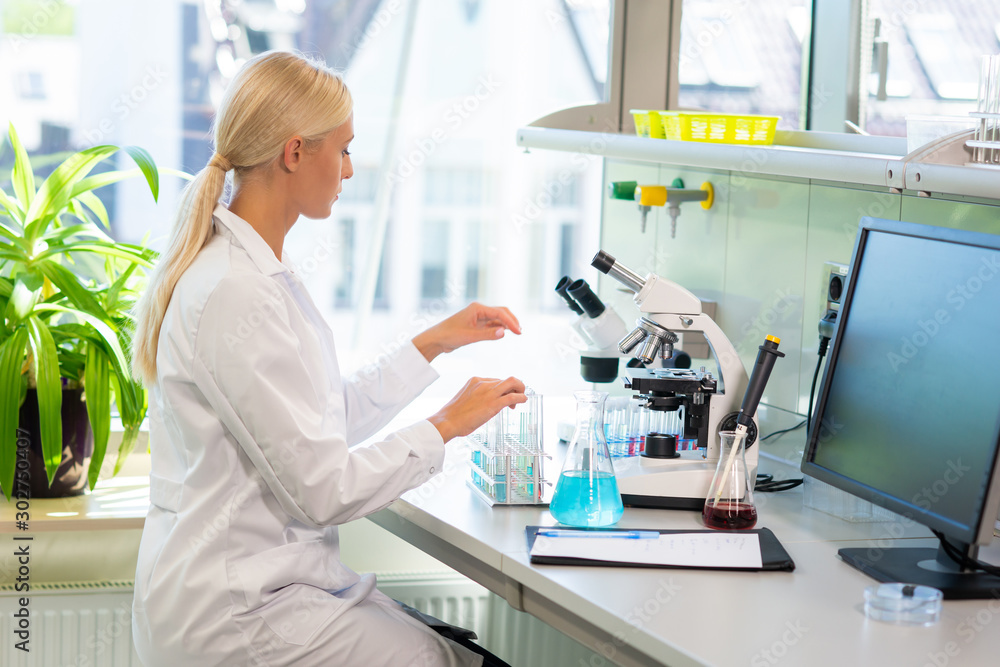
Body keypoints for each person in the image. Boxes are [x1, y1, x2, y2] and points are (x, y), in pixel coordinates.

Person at [129, 50, 525, 667]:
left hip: (258, 589)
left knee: (453, 651)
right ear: (294, 153)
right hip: (238, 613)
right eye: (341, 149)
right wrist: (447, 424)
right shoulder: (235, 289)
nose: (349, 169)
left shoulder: (254, 270)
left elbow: (318, 419)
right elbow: (322, 489)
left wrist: (433, 343)